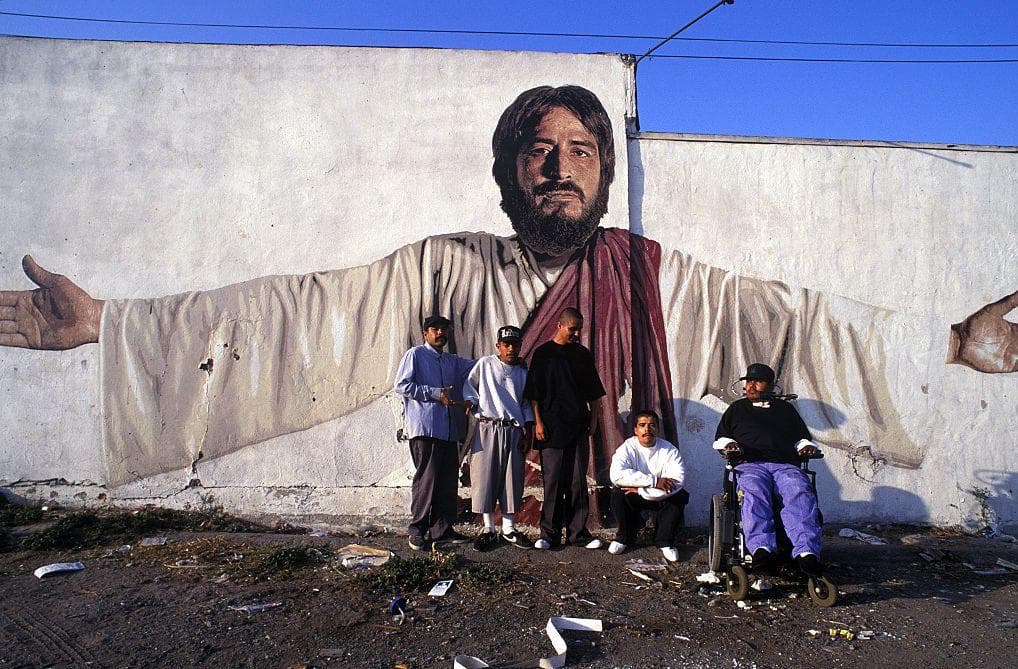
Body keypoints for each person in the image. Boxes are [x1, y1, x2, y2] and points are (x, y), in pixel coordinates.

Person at [1, 84, 1014, 499]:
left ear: (605, 177)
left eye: (581, 151)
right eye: (538, 151)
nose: (560, 167)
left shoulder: (655, 279)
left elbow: (786, 326)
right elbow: (303, 318)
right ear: (506, 176)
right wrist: (113, 327)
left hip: (620, 540)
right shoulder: (447, 268)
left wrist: (953, 339)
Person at [712, 363, 824, 575]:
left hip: (784, 465)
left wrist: (806, 446)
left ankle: (806, 552)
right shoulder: (737, 409)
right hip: (749, 465)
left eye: (758, 381)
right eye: (749, 381)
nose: (751, 386)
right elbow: (720, 438)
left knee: (799, 489)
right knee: (754, 490)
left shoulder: (785, 410)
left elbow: (801, 438)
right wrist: (728, 444)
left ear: (771, 385)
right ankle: (762, 549)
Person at [523, 307, 605, 550]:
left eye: (579, 329)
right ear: (559, 326)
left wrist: (593, 421)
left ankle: (578, 533)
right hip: (550, 428)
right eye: (572, 329)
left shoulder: (582, 354)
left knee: (578, 482)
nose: (577, 334)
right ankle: (548, 535)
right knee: (553, 483)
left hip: (578, 426)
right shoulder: (543, 354)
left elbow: (594, 393)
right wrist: (537, 422)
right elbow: (534, 395)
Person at [393, 315, 474, 551]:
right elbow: (402, 385)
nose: (440, 333)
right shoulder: (416, 355)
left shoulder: (452, 361)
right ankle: (417, 530)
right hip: (426, 428)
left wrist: (507, 360)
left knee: (448, 481)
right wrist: (434, 393)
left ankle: (442, 530)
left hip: (449, 430)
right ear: (425, 333)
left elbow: (478, 366)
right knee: (426, 480)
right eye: (434, 329)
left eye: (443, 329)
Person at [462, 325, 535, 551]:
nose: (511, 348)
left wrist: (527, 431)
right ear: (498, 346)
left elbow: (524, 403)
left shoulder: (523, 373)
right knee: (485, 477)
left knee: (511, 479)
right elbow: (469, 386)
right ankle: (488, 528)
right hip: (488, 427)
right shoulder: (485, 364)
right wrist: (472, 405)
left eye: (515, 344)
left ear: (520, 346)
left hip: (513, 429)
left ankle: (509, 528)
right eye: (506, 344)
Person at [607, 410, 687, 562]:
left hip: (661, 496)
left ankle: (665, 541)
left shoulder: (669, 450)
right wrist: (654, 482)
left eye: (652, 425)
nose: (647, 429)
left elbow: (678, 480)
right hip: (638, 494)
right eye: (642, 425)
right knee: (618, 492)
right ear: (636, 430)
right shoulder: (628, 447)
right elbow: (616, 475)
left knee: (680, 495)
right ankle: (624, 537)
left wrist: (641, 490)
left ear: (657, 429)